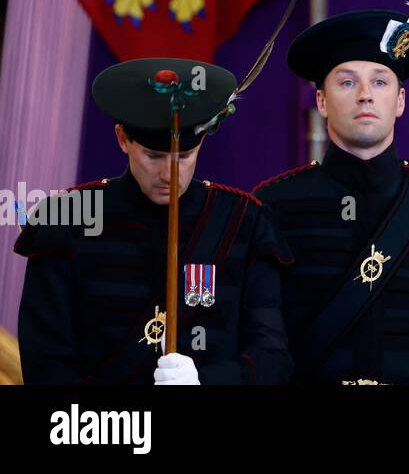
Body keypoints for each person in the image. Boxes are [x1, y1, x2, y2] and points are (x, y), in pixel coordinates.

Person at [255, 9, 409, 384]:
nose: (366, 95)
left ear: (400, 101)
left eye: (380, 82)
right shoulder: (274, 206)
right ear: (321, 101)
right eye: (346, 82)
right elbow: (262, 345)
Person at [14, 57, 293, 384]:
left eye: (183, 157)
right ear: (122, 139)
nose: (169, 174)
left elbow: (272, 358)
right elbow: (46, 364)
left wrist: (207, 381)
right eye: (154, 156)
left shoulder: (245, 220)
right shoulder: (64, 219)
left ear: (201, 143)